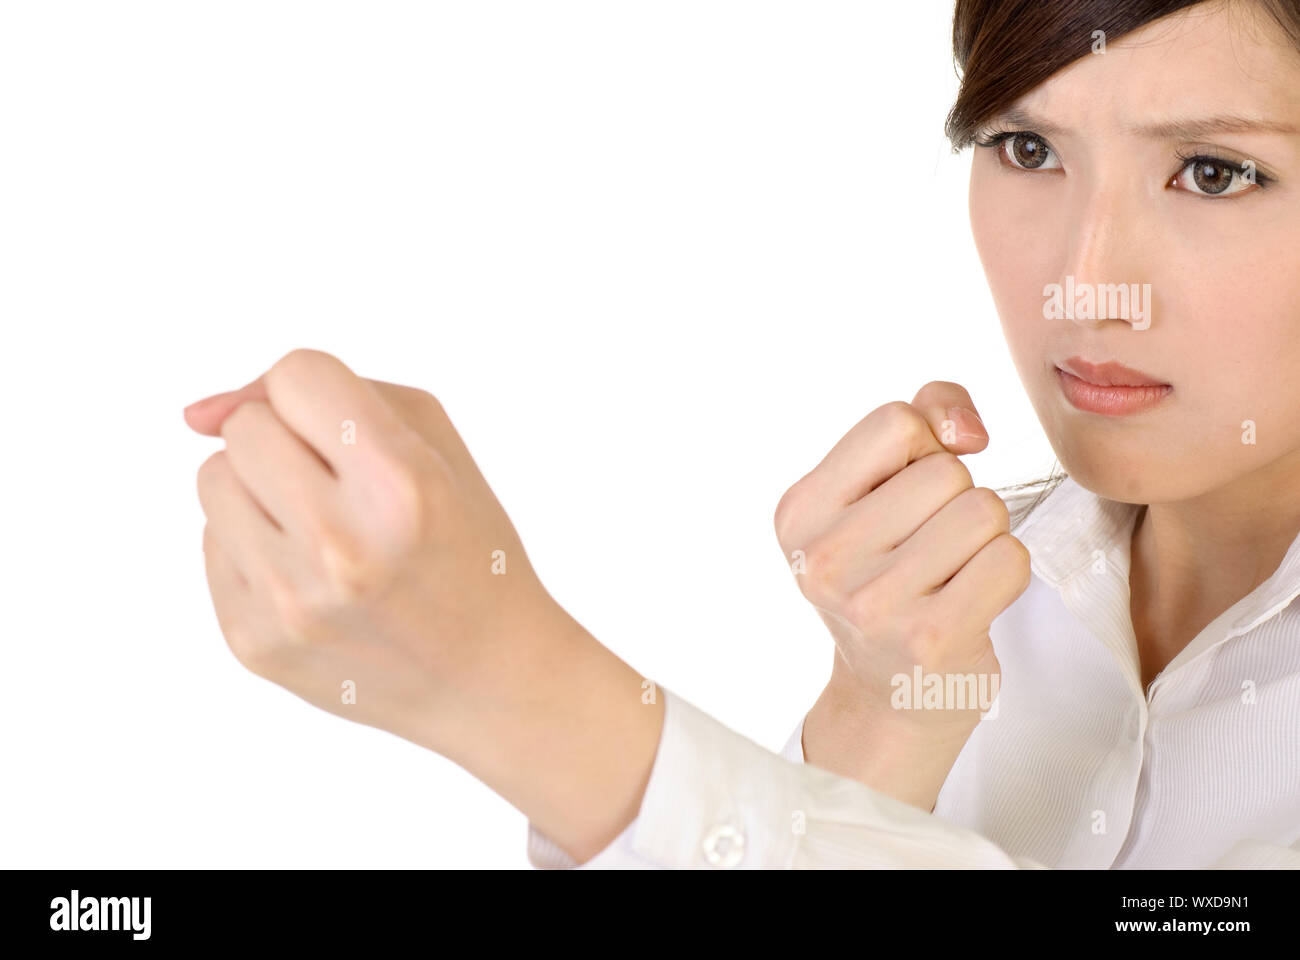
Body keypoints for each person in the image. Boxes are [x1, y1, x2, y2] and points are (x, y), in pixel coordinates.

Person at [187, 0, 1300, 869]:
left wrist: (506, 683)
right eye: (1024, 148)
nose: (1083, 286)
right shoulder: (999, 602)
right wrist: (879, 726)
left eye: (1215, 172)